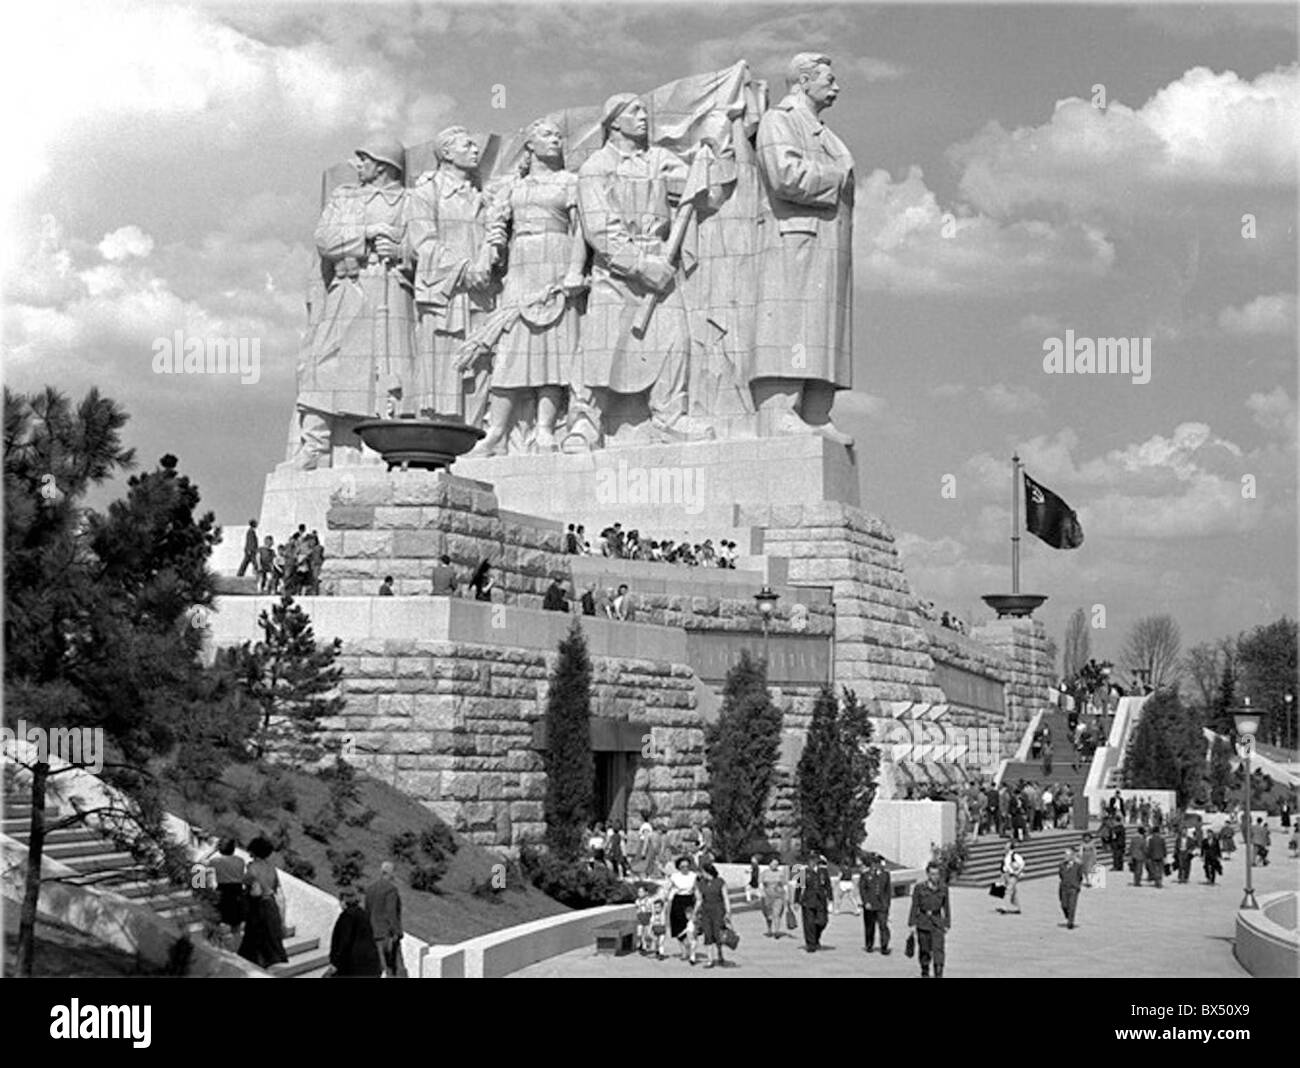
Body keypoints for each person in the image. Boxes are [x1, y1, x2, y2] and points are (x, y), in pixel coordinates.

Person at [752, 54, 854, 446]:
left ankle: (815, 411)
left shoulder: (821, 130)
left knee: (822, 328)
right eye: (829, 78)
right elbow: (785, 176)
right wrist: (836, 175)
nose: (837, 86)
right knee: (791, 324)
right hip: (795, 241)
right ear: (804, 80)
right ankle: (780, 410)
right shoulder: (781, 120)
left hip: (825, 245)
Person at [294, 139, 415, 467]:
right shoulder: (344, 197)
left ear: (384, 165)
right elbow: (325, 240)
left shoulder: (409, 201)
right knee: (323, 361)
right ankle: (315, 444)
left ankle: (380, 444)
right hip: (348, 286)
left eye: (364, 158)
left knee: (385, 369)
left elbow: (424, 246)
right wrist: (366, 232)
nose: (357, 164)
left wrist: (403, 253)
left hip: (390, 286)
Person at [407, 125, 504, 425]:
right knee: (444, 368)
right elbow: (422, 244)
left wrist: (495, 248)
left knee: (481, 362)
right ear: (446, 153)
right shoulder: (426, 192)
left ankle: (474, 433)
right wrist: (465, 269)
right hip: (445, 295)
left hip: (481, 296)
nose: (475, 151)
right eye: (467, 146)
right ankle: (441, 433)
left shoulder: (483, 197)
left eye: (476, 146)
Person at [238, 836, 289, 968]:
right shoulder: (272, 868)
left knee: (254, 947)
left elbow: (247, 885)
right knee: (270, 948)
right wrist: (282, 920)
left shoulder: (252, 868)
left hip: (258, 909)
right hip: (271, 907)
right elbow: (279, 894)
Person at [327, 886, 382, 977]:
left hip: (354, 967)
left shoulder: (347, 916)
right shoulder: (363, 914)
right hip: (371, 966)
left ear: (343, 901)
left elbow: (344, 942)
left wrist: (335, 963)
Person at [908, 861, 951, 978]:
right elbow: (914, 906)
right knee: (924, 950)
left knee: (939, 950)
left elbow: (946, 907)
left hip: (937, 923)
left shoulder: (943, 888)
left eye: (937, 874)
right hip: (923, 922)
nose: (935, 877)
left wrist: (947, 923)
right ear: (927, 874)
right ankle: (925, 971)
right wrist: (912, 923)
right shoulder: (919, 888)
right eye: (932, 874)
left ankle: (938, 973)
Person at [364, 860, 406, 977]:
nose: (394, 875)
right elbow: (391, 913)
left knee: (381, 968)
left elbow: (367, 912)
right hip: (388, 936)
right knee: (396, 968)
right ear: (388, 873)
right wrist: (397, 932)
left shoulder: (370, 889)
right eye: (393, 872)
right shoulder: (391, 890)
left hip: (374, 935)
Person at [695, 861, 733, 968]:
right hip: (706, 912)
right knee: (707, 934)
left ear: (708, 872)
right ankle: (710, 959)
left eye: (703, 872)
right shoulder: (701, 883)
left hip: (718, 911)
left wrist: (728, 912)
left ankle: (720, 955)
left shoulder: (720, 882)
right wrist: (695, 912)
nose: (701, 874)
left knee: (718, 934)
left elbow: (726, 898)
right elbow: (699, 899)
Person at [209, 837, 246, 938]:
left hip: (223, 892)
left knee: (219, 921)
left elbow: (199, 863)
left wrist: (212, 850)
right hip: (238, 892)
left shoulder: (216, 861)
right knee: (236, 925)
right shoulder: (240, 861)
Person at [667, 856, 700, 964]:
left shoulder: (693, 876)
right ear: (679, 867)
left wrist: (697, 905)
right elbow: (668, 889)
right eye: (682, 867)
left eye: (687, 866)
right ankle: (683, 950)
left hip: (689, 901)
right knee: (678, 927)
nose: (685, 868)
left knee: (690, 927)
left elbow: (696, 891)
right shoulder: (674, 876)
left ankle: (691, 951)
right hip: (678, 900)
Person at [797, 854, 832, 952]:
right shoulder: (803, 872)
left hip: (820, 900)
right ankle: (810, 944)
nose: (811, 863)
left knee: (822, 922)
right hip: (808, 900)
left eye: (813, 861)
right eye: (810, 861)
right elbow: (799, 887)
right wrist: (796, 900)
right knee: (809, 923)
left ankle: (816, 937)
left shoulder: (823, 872)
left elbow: (828, 885)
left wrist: (830, 898)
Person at [860, 852, 892, 955]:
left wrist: (887, 904)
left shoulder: (885, 874)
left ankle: (884, 946)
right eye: (874, 862)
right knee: (870, 926)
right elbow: (862, 889)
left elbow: (888, 891)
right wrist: (866, 902)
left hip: (882, 905)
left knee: (883, 925)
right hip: (870, 905)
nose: (875, 864)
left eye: (877, 862)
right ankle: (869, 945)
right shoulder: (866, 875)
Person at [760, 856, 789, 938]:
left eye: (777, 864)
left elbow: (785, 885)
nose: (775, 865)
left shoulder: (781, 873)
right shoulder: (764, 873)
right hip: (767, 897)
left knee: (777, 914)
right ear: (769, 864)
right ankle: (769, 929)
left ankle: (776, 931)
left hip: (778, 897)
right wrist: (761, 894)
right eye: (773, 864)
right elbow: (760, 885)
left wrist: (786, 897)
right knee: (768, 915)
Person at [1058, 847, 1083, 929]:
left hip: (1073, 888)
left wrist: (1076, 884)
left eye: (1067, 855)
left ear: (1072, 856)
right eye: (1064, 854)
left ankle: (1070, 922)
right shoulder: (1062, 865)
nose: (1065, 856)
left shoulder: (1077, 866)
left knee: (1072, 905)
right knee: (1064, 905)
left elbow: (1080, 876)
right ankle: (1068, 915)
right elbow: (1061, 875)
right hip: (1064, 887)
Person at [1000, 841, 1025, 914]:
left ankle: (1004, 907)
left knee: (1008, 890)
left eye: (1006, 845)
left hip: (1013, 875)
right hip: (1006, 874)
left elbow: (1022, 863)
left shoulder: (1015, 855)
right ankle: (1017, 908)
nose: (1005, 847)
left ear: (1010, 847)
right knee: (1014, 892)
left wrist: (1017, 872)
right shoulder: (1006, 855)